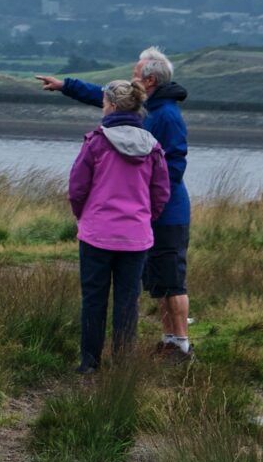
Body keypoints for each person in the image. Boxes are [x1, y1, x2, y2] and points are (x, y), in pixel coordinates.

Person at [39, 48, 192, 358]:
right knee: (154, 283)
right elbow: (109, 97)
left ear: (149, 80)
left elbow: (172, 170)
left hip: (163, 215)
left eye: (136, 74)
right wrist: (66, 85)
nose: (132, 79)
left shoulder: (165, 116)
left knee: (171, 280)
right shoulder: (146, 109)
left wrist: (147, 207)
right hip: (141, 219)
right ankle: (165, 342)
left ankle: (181, 344)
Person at [66, 78, 173, 371]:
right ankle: (123, 364)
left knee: (94, 298)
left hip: (97, 234)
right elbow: (161, 192)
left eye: (103, 101)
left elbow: (77, 188)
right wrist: (145, 219)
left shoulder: (97, 142)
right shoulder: (152, 147)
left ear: (111, 105)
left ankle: (89, 362)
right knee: (128, 301)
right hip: (136, 236)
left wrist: (83, 216)